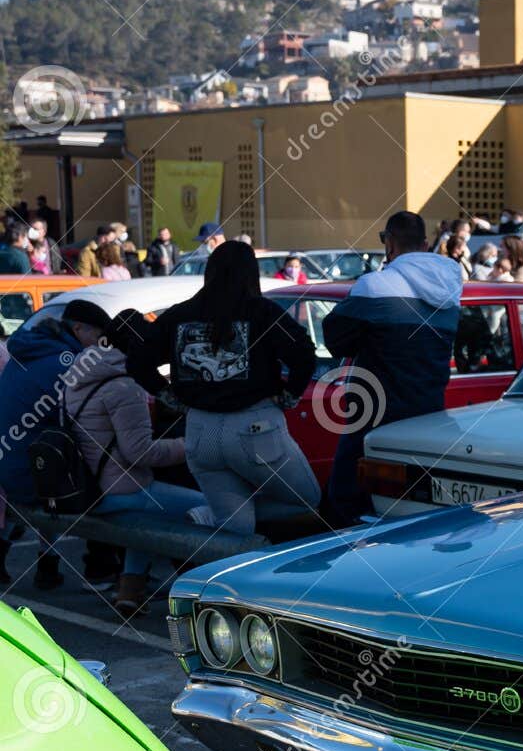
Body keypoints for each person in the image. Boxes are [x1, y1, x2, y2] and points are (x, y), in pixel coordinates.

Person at [127, 241, 321, 535]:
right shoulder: (262, 312)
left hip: (200, 431)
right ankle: (212, 517)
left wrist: (171, 397)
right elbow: (304, 354)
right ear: (251, 273)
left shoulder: (181, 314)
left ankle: (212, 519)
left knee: (235, 526)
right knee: (308, 500)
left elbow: (138, 360)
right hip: (256, 427)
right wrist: (289, 395)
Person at [322, 211, 463, 525]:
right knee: (415, 513)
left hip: (373, 419)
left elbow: (335, 339)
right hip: (429, 414)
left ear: (388, 245)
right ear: (426, 244)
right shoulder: (451, 288)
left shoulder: (374, 286)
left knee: (344, 503)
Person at [63, 308, 206, 614]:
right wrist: (189, 446)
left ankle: (129, 592)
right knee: (206, 507)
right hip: (121, 490)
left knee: (148, 517)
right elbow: (140, 453)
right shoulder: (123, 385)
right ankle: (205, 592)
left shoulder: (79, 375)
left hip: (87, 488)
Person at [0, 306, 87, 589]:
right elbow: (72, 420)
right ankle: (103, 566)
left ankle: (41, 564)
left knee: (44, 470)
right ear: (76, 331)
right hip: (28, 468)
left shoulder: (20, 356)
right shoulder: (66, 362)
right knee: (62, 475)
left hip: (8, 459)